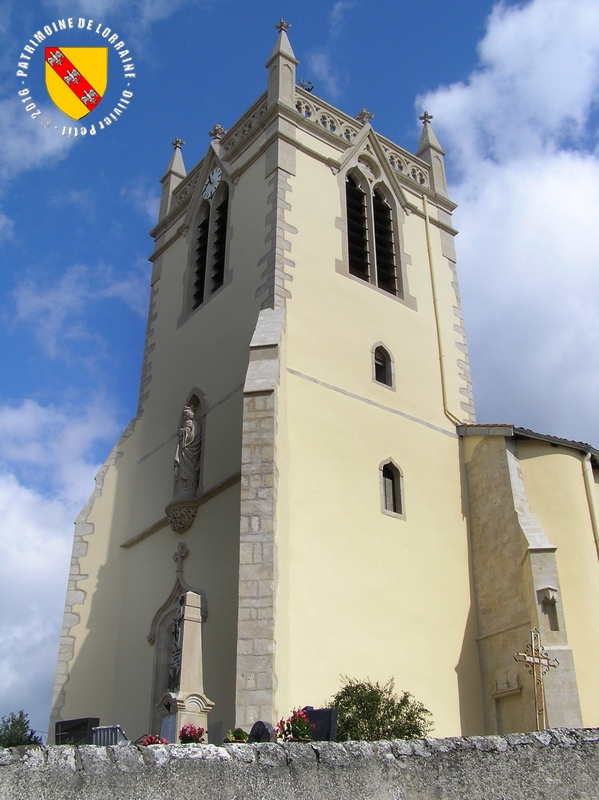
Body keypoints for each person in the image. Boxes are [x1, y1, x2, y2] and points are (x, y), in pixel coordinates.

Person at [173, 406, 201, 500]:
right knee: (184, 470)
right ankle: (187, 486)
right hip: (186, 450)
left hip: (188, 450)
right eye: (184, 415)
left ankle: (188, 487)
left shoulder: (189, 423)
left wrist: (183, 431)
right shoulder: (196, 424)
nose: (185, 416)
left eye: (186, 414)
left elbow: (188, 432)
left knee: (185, 470)